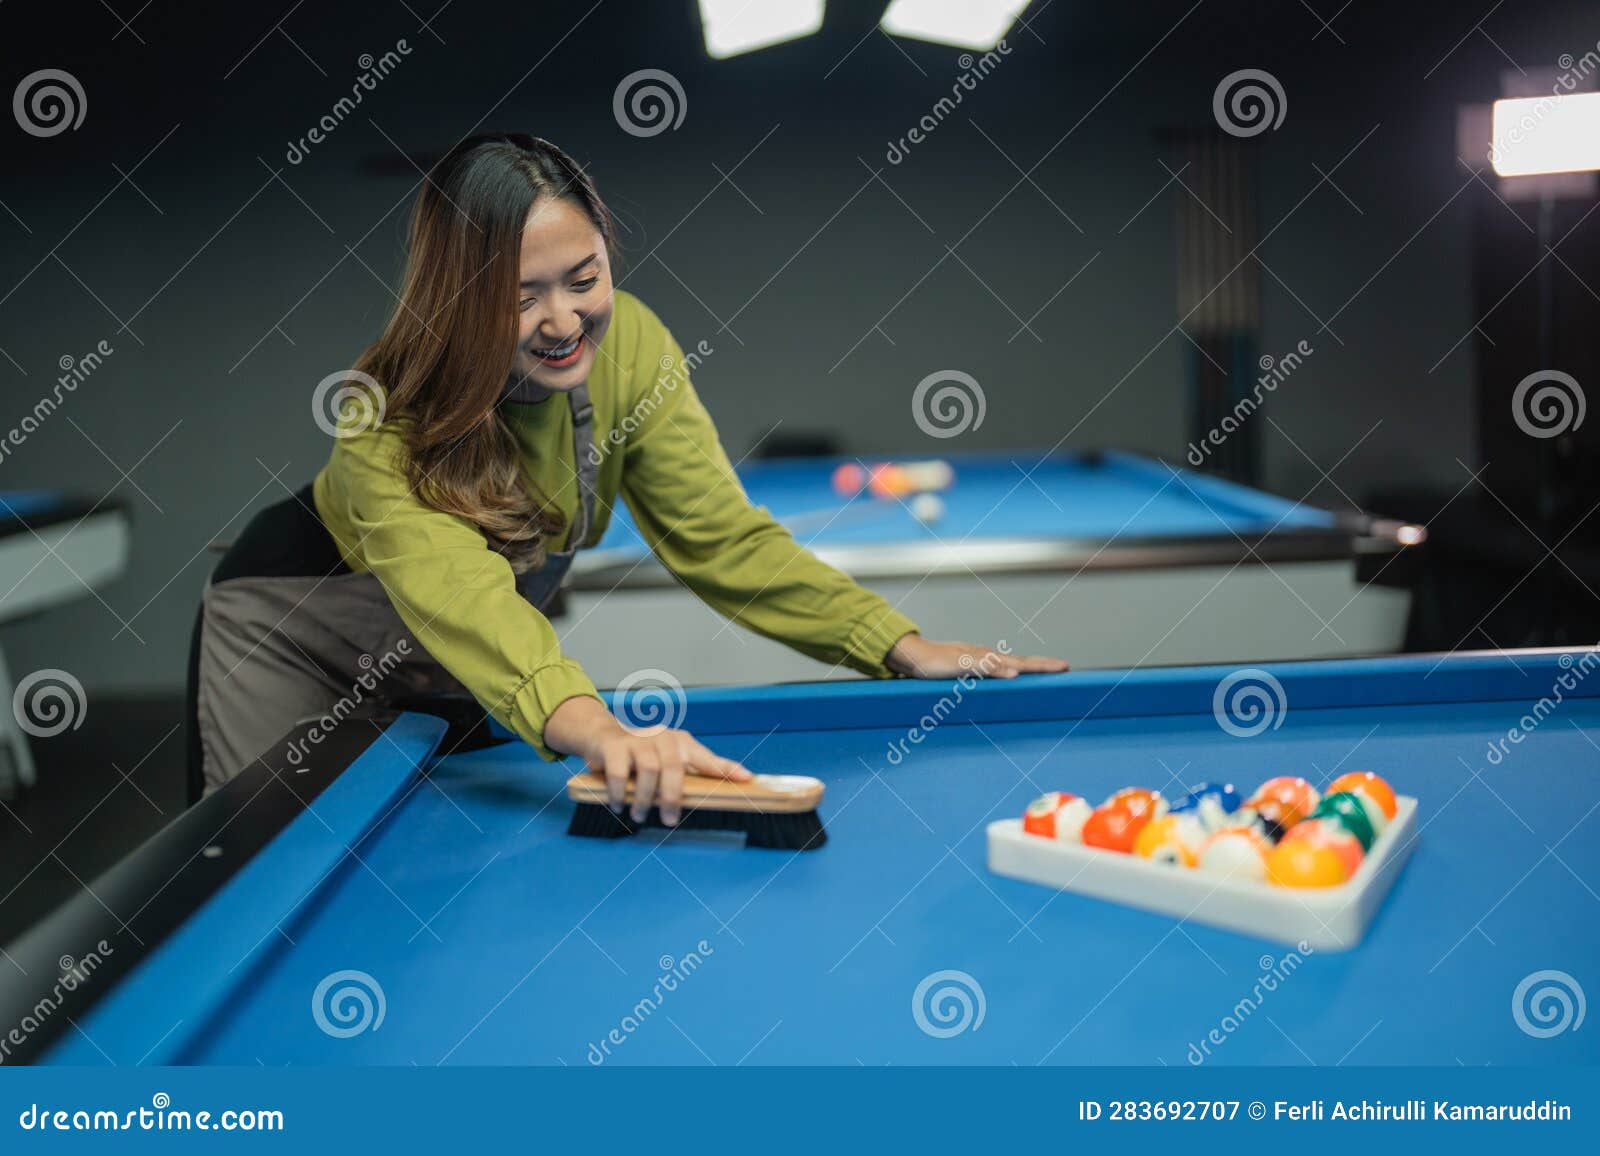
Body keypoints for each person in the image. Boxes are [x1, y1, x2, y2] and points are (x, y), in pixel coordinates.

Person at [187, 133, 1068, 820]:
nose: (563, 318)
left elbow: (720, 536)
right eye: (520, 294)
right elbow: (463, 598)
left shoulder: (634, 343)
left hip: (457, 654)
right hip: (298, 630)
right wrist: (599, 726)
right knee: (262, 874)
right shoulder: (383, 418)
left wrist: (894, 642)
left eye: (584, 278)